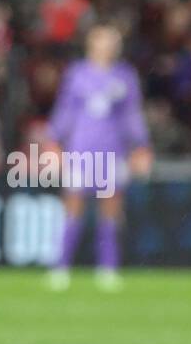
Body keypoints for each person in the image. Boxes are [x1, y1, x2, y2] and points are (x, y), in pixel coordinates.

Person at [44, 21, 152, 290]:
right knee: (73, 209)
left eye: (111, 41)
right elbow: (65, 111)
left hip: (112, 150)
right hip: (81, 149)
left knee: (110, 212)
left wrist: (141, 145)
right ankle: (61, 268)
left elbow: (132, 115)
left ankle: (108, 268)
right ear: (91, 43)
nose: (107, 45)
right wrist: (53, 141)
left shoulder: (125, 75)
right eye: (102, 39)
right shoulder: (77, 74)